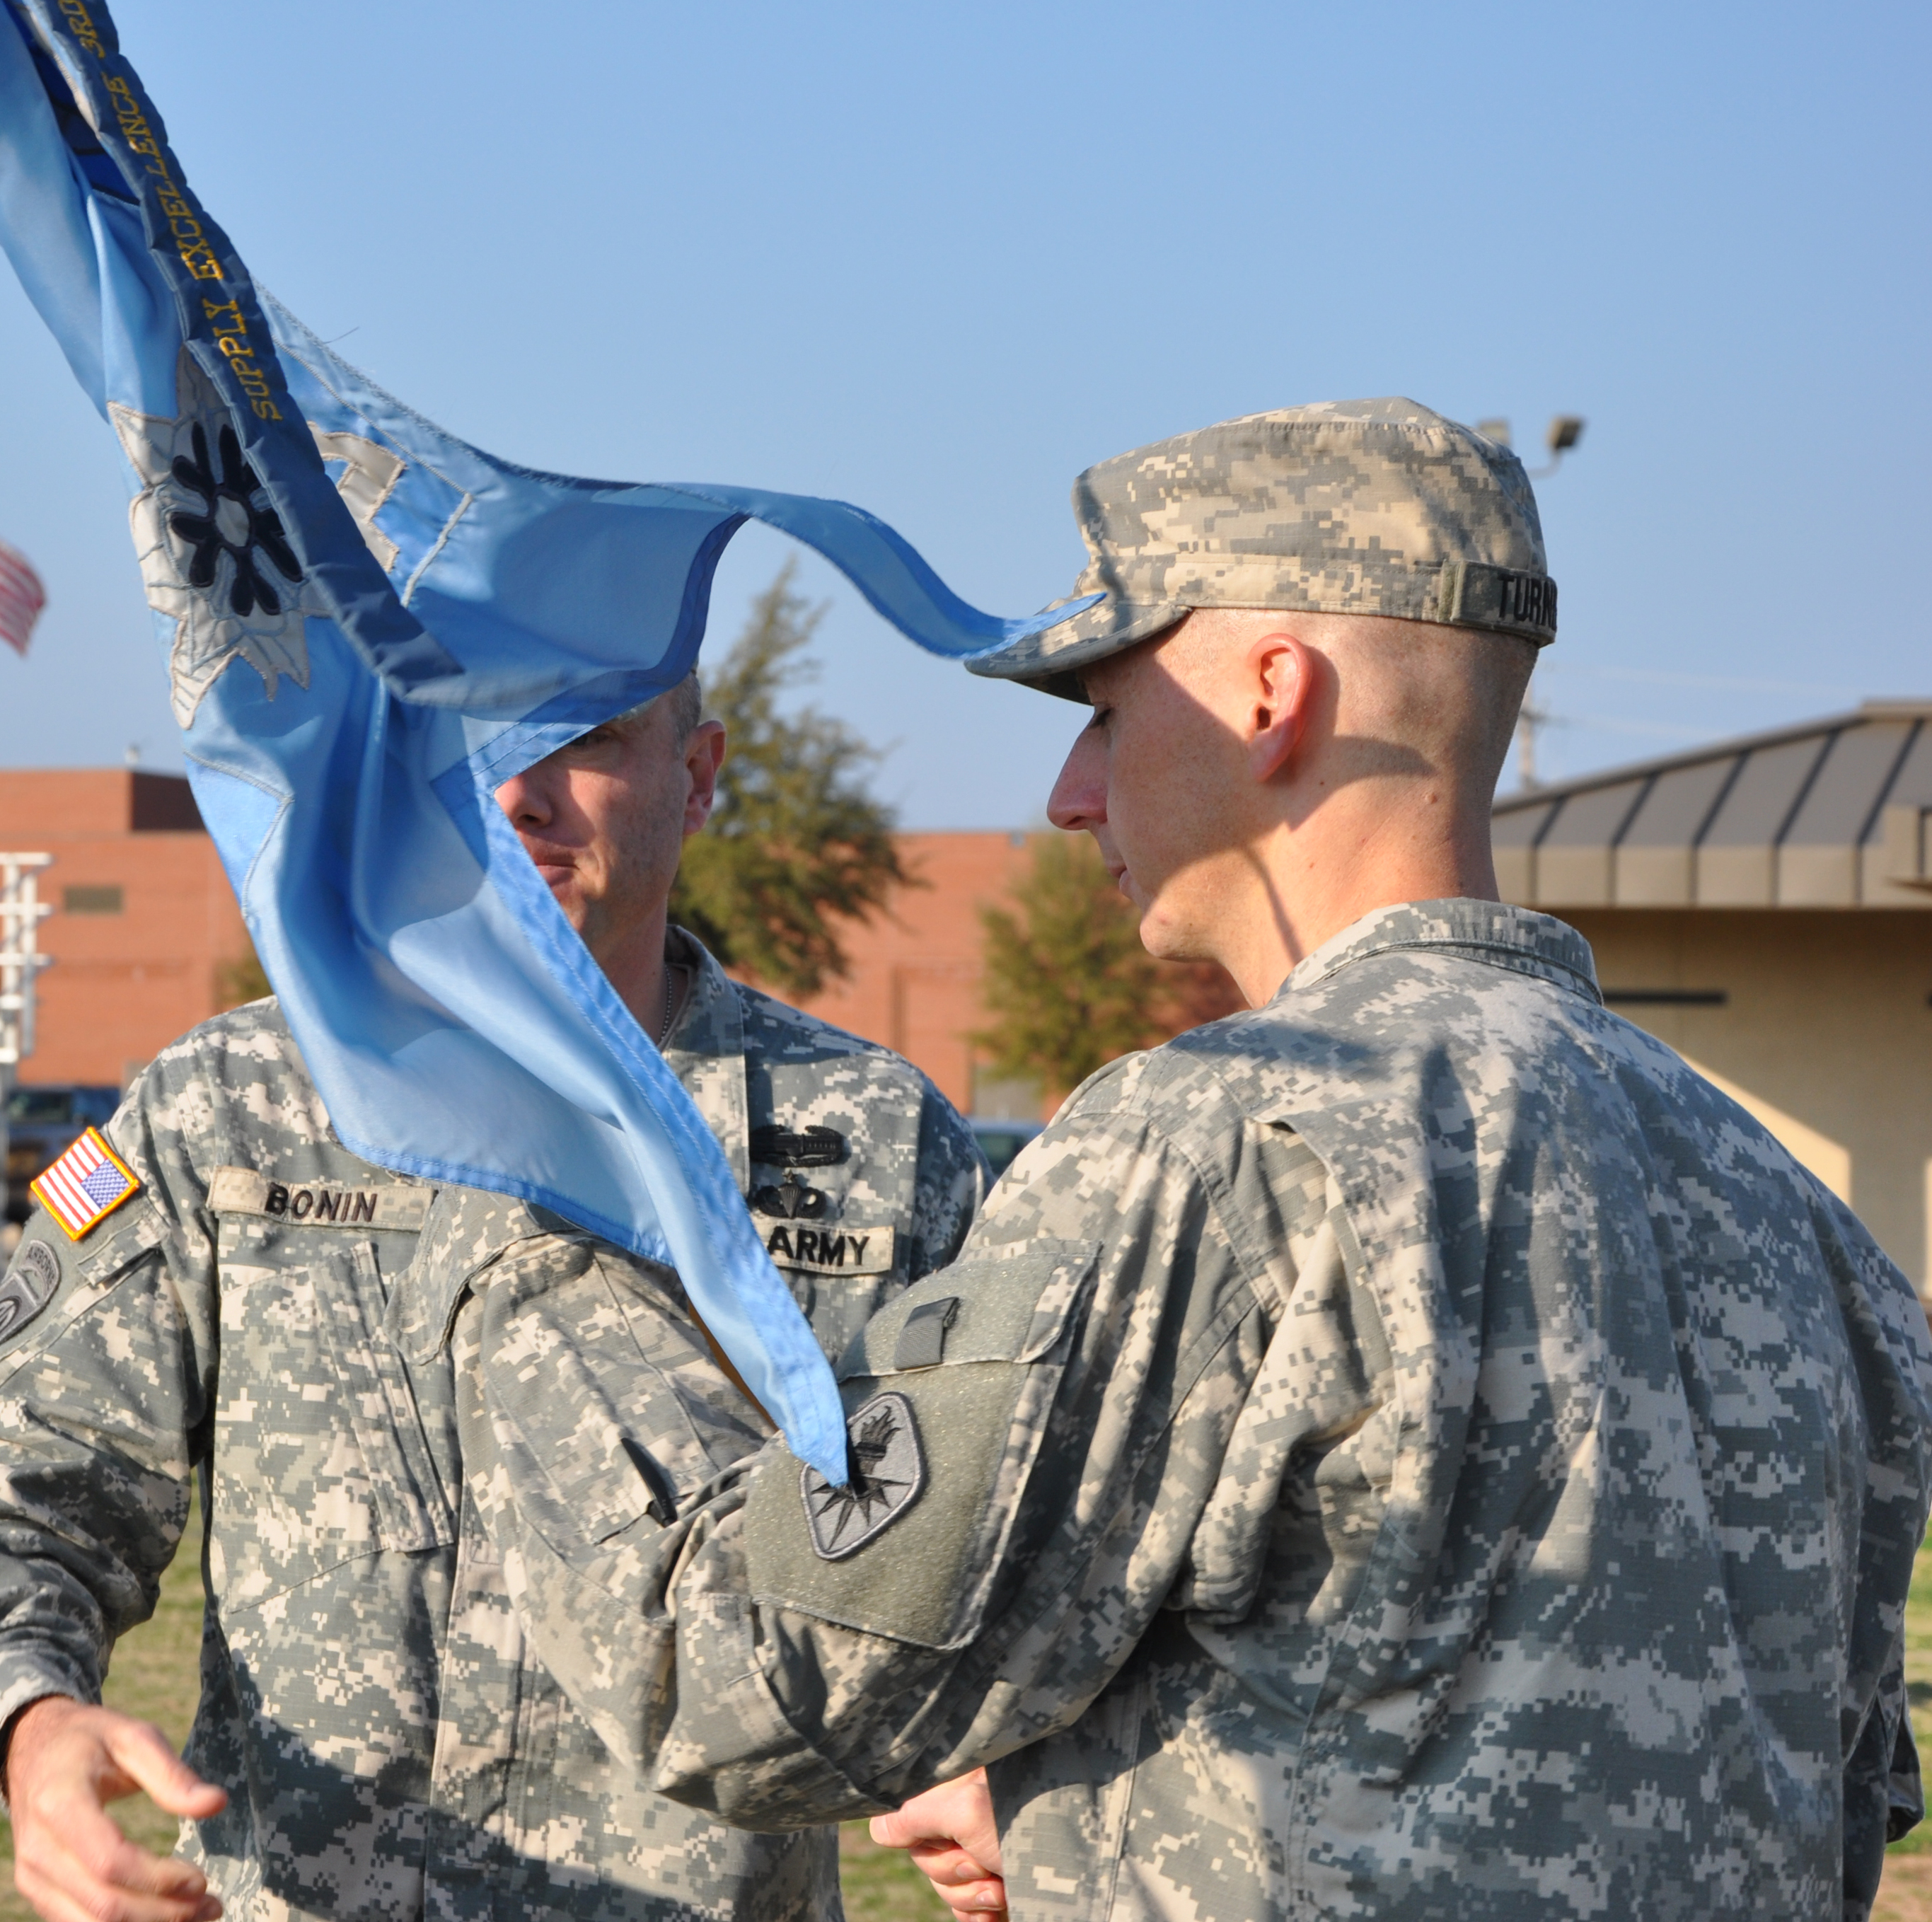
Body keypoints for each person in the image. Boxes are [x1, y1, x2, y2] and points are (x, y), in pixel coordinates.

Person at [464, 400, 1932, 1921]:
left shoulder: (1222, 1147)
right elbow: (1828, 1801)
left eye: (1101, 709)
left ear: (1271, 699)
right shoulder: (1796, 1219)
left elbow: (739, 1673)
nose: (1070, 792)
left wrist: (526, 1195)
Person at [0, 673, 987, 1922]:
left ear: (699, 773)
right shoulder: (237, 1107)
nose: (515, 793)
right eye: (465, 747)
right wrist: (31, 1719)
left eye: (583, 738)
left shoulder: (871, 1142)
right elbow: (22, 1498)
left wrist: (996, 1767)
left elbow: (998, 1553)